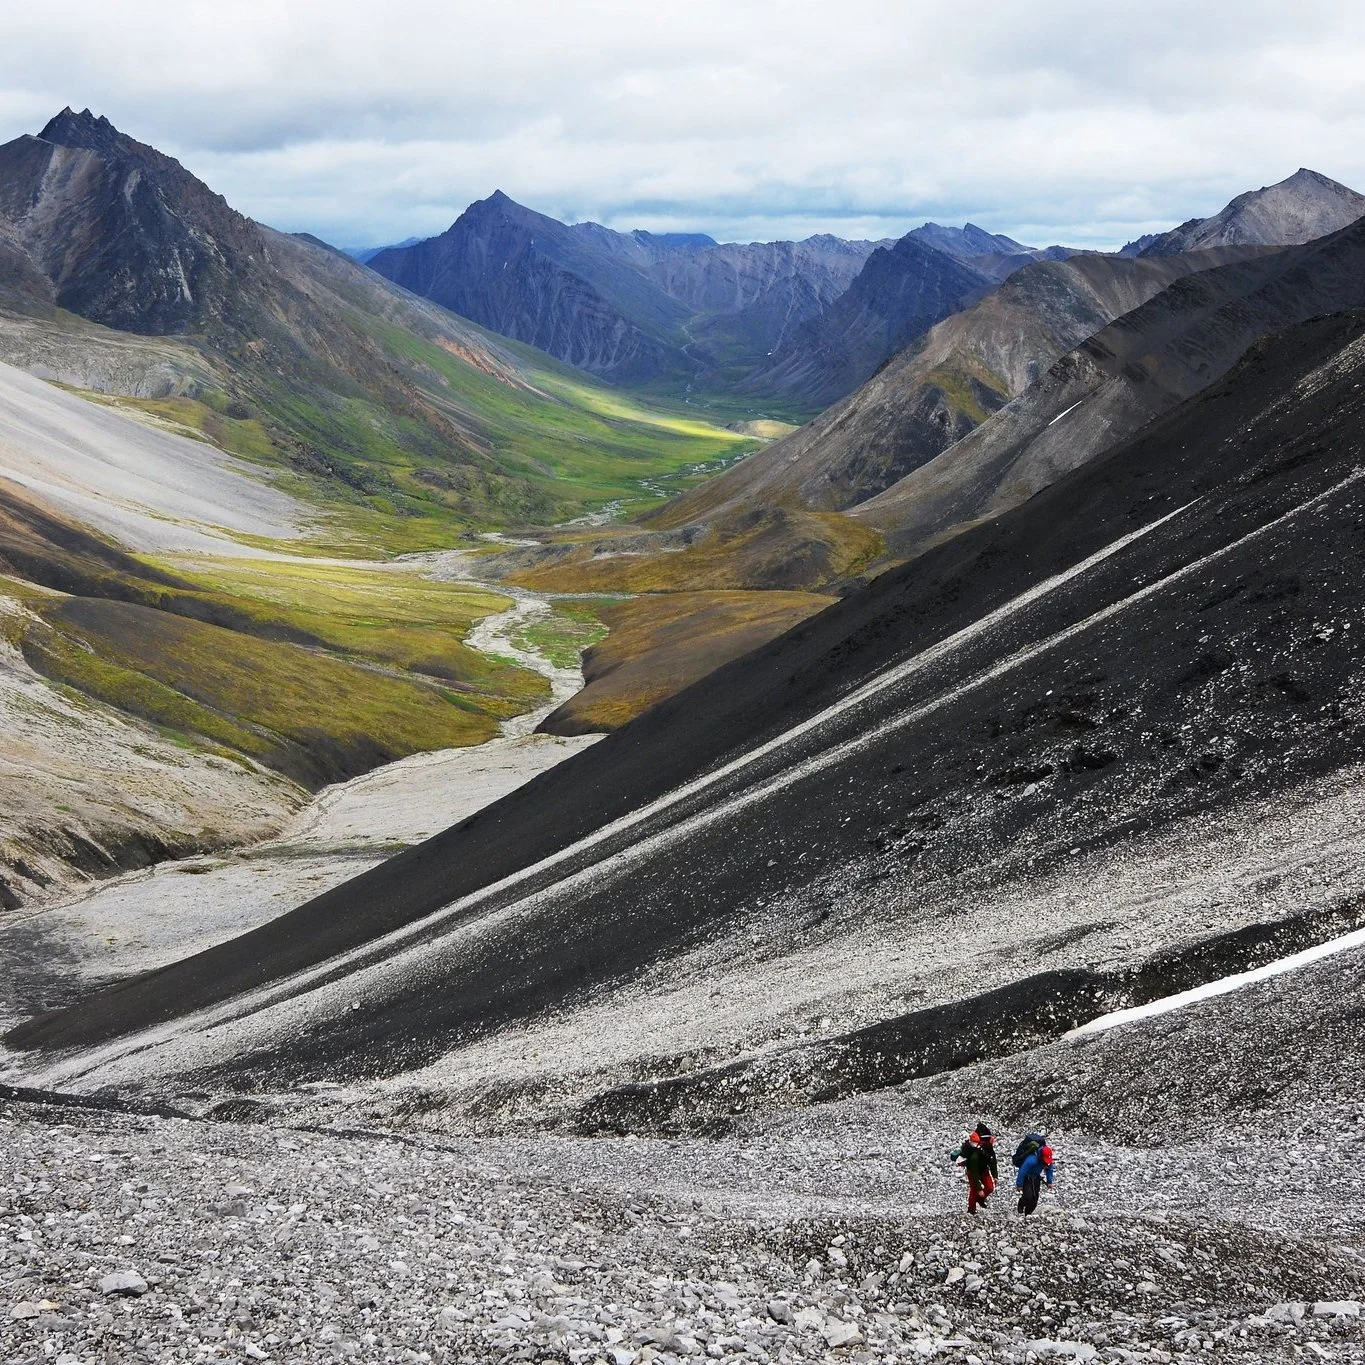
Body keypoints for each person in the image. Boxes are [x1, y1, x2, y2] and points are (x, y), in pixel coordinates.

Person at [951, 1122, 998, 1214]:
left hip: (984, 1170)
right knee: (974, 1190)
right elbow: (974, 1173)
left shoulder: (989, 1151)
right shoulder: (974, 1156)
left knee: (990, 1188)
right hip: (972, 1171)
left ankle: (980, 1200)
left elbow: (993, 1162)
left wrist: (995, 1176)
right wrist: (979, 1188)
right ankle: (971, 1210)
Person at [1014, 1133, 1055, 1215]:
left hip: (1036, 1178)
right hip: (1027, 1177)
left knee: (1035, 1199)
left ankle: (1028, 1215)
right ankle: (1021, 1204)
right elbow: (1022, 1171)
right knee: (1028, 1196)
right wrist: (1019, 1185)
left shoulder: (1047, 1159)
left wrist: (1049, 1182)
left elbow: (1050, 1169)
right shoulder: (1032, 1160)